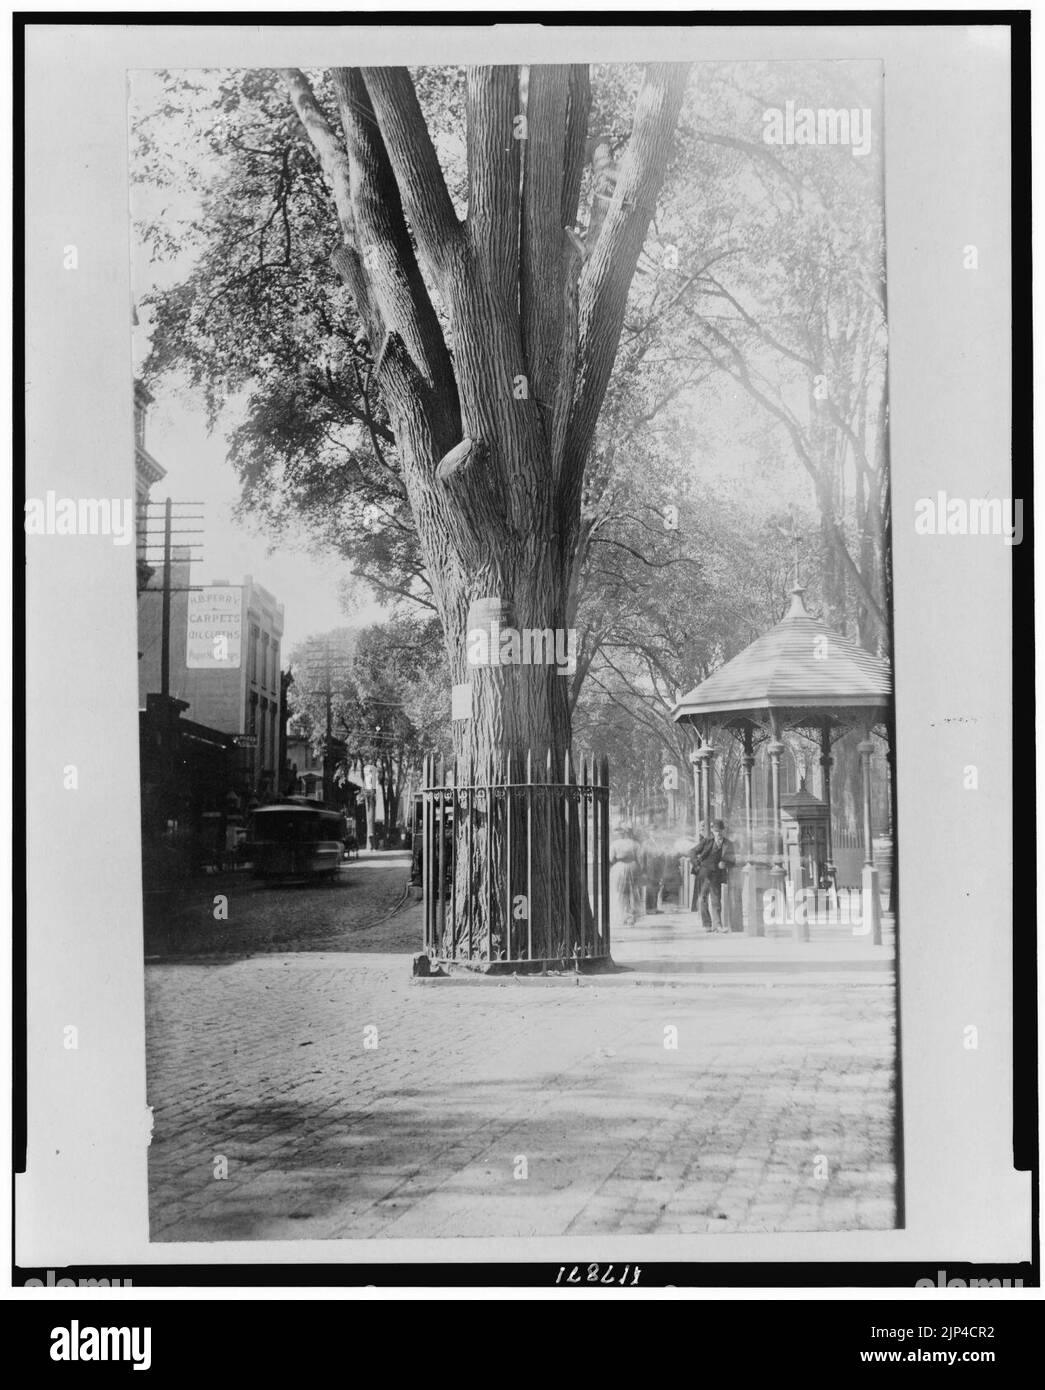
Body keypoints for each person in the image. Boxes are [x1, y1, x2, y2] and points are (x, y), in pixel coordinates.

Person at [690, 819, 735, 933]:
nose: (718, 833)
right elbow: (692, 852)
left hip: (716, 875)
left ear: (723, 831)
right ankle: (707, 925)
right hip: (704, 874)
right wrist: (697, 864)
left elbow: (733, 861)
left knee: (716, 901)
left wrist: (725, 863)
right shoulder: (707, 841)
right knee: (702, 899)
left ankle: (718, 925)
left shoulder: (728, 844)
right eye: (716, 831)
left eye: (719, 831)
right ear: (712, 831)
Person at [608, 825, 642, 928]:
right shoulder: (635, 844)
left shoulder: (615, 844)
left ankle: (623, 915)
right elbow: (639, 858)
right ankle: (632, 916)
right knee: (633, 891)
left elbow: (611, 859)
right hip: (633, 867)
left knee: (621, 893)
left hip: (619, 868)